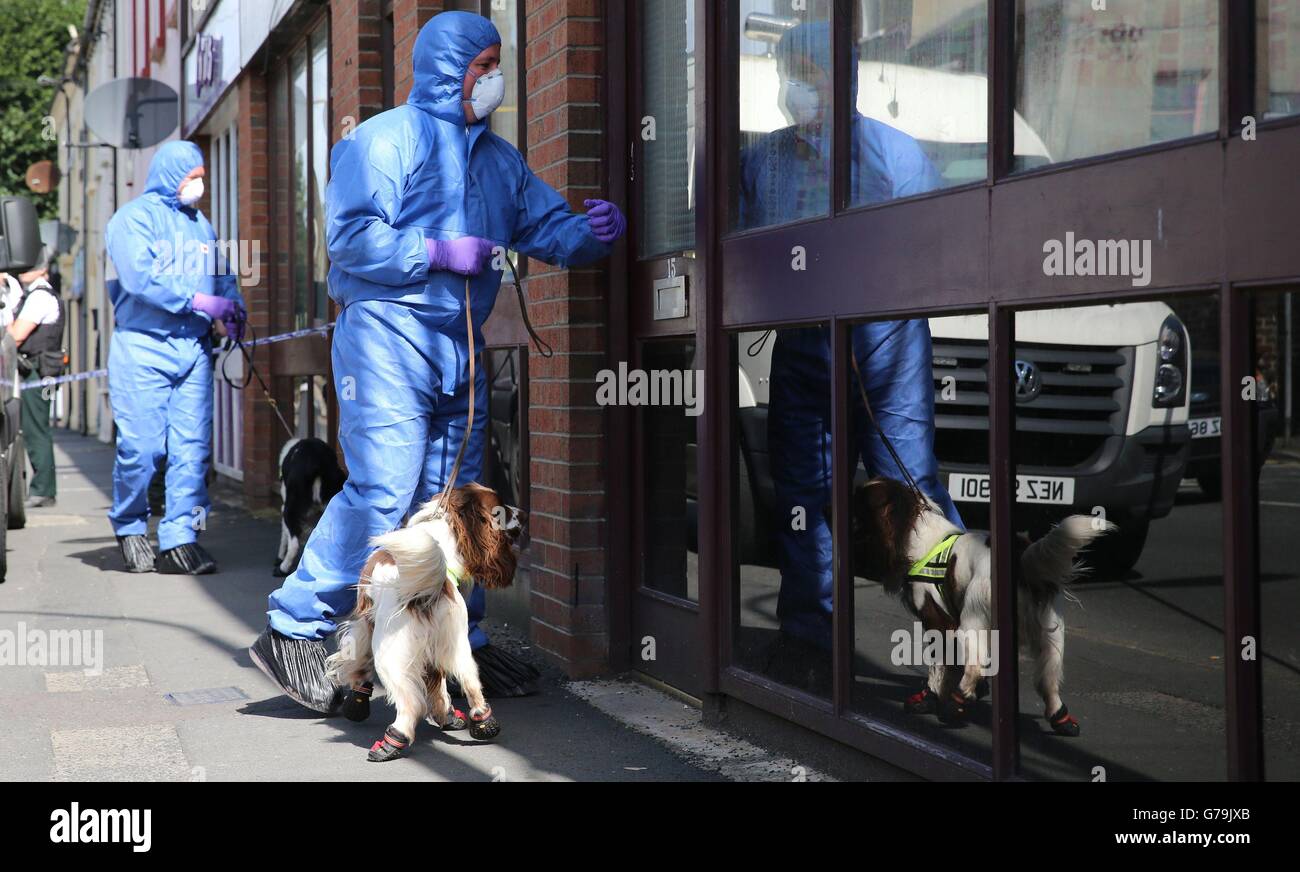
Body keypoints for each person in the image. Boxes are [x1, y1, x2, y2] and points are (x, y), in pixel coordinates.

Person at [249, 11, 626, 713]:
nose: (493, 78)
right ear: (450, 69)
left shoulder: (497, 159)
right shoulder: (385, 139)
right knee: (387, 490)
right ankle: (293, 628)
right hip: (387, 335)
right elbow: (354, 238)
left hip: (459, 345)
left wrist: (590, 234)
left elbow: (545, 227)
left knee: (456, 501)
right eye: (483, 65)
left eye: (496, 64)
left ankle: (455, 646)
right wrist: (436, 251)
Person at [739, 21, 962, 661]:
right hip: (805, 348)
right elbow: (740, 250)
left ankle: (953, 642)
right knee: (802, 495)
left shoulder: (894, 155)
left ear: (845, 78)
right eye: (791, 73)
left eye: (810, 73)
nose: (797, 87)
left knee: (911, 491)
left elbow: (934, 249)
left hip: (886, 346)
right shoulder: (765, 163)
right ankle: (810, 641)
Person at [104, 140, 247, 574]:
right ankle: (130, 525)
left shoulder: (200, 225)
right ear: (170, 176)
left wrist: (232, 306)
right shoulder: (131, 220)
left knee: (192, 450)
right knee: (142, 448)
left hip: (194, 350)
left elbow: (221, 273)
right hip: (143, 347)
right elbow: (140, 277)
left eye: (202, 176)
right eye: (192, 177)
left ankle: (181, 538)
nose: (199, 185)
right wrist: (200, 302)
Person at [7, 249, 66, 508]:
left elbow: (17, 335)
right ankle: (43, 489)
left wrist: (5, 313)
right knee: (35, 428)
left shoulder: (40, 296)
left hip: (38, 371)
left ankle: (43, 490)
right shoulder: (33, 295)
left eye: (29, 266)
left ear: (42, 270)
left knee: (35, 429)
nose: (21, 271)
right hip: (40, 371)